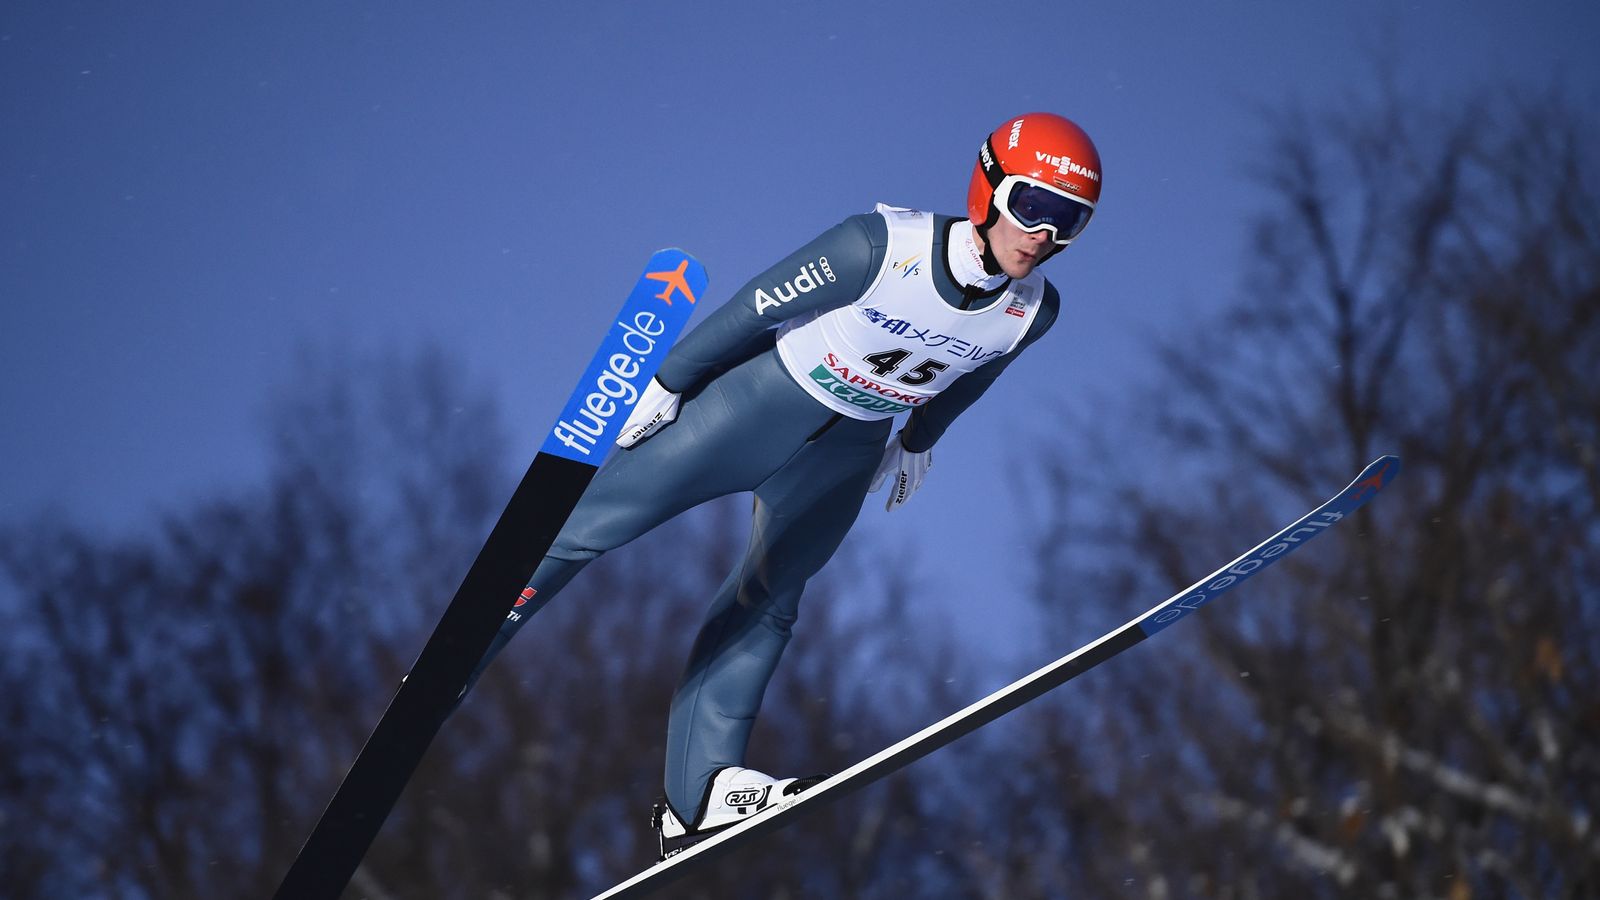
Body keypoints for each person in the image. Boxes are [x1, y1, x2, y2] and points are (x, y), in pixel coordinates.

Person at [463, 112, 1103, 842]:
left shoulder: (1032, 311)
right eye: (1034, 208)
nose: (1044, 235)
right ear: (988, 188)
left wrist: (922, 437)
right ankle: (458, 656)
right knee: (584, 531)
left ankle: (697, 795)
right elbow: (759, 304)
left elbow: (974, 373)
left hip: (845, 451)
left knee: (771, 600)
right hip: (755, 406)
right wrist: (672, 378)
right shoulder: (881, 244)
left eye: (1069, 222)